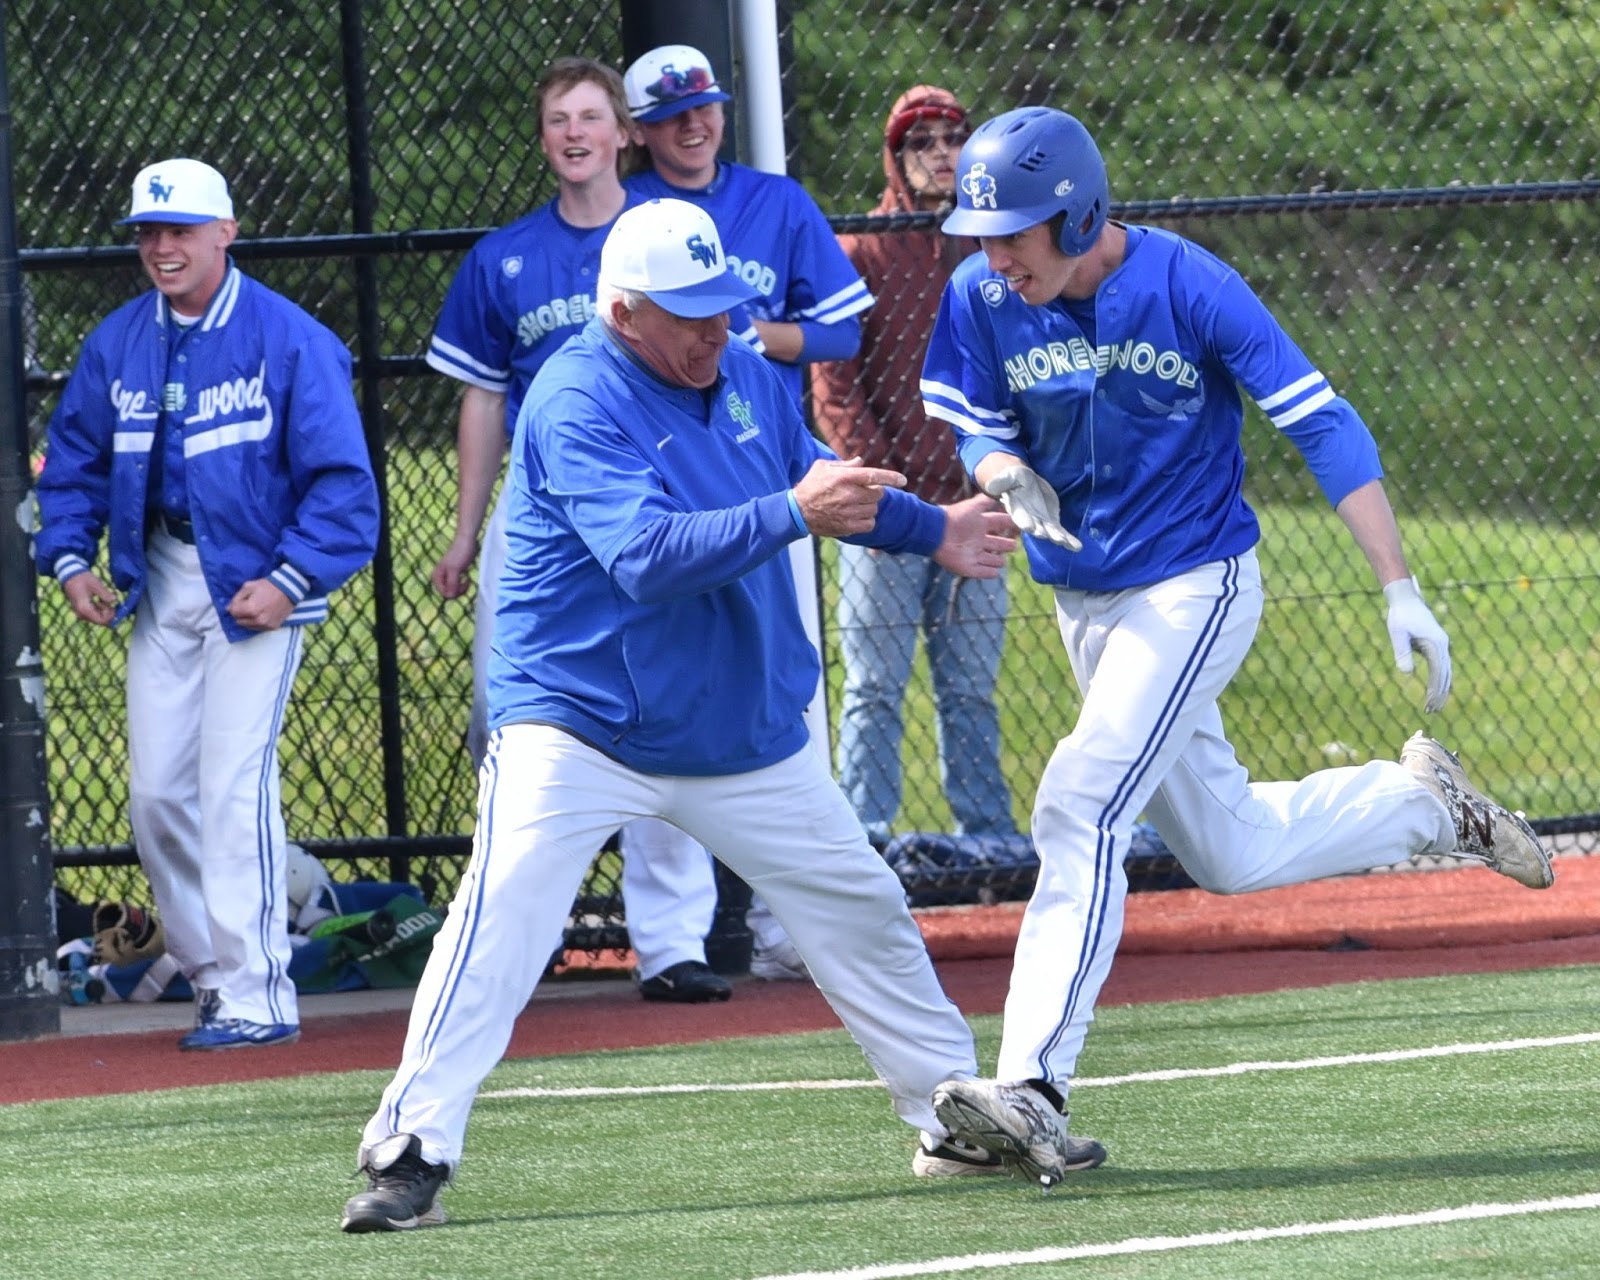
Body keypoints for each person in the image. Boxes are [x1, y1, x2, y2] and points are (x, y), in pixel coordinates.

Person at [339, 198, 1053, 1232]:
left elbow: (816, 478)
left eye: (721, 304)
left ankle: (954, 1115)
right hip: (580, 720)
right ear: (623, 314)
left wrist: (931, 528)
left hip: (736, 722)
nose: (716, 328)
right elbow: (646, 556)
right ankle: (409, 1150)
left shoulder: (744, 371)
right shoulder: (575, 398)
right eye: (689, 313)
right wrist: (795, 513)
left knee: (859, 903)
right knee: (500, 917)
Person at [915, 106, 1556, 1188]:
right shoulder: (981, 295)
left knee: (1081, 800)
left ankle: (1031, 1090)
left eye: (1012, 231)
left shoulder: (1190, 284)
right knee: (1228, 850)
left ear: (1079, 215)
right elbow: (972, 413)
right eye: (980, 234)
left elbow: (1319, 420)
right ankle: (1426, 807)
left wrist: (1399, 584)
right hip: (1086, 600)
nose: (993, 254)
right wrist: (996, 468)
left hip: (1192, 587)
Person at [34, 157, 379, 1050]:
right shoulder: (118, 341)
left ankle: (260, 992)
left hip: (258, 586)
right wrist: (71, 560)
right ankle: (213, 977)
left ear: (226, 232)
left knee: (231, 791)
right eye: (148, 232)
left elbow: (344, 487)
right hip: (162, 574)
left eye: (180, 229)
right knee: (156, 798)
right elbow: (73, 465)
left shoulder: (289, 337)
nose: (162, 247)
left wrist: (293, 578)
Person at [425, 57, 729, 1004]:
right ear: (544, 137)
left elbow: (722, 365)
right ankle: (525, 927)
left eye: (591, 116)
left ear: (623, 132)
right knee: (513, 712)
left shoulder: (671, 234)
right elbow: (484, 401)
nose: (574, 134)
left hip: (659, 498)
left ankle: (673, 943)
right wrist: (466, 531)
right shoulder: (505, 258)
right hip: (546, 517)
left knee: (665, 697)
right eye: (558, 119)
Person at [623, 43, 877, 980]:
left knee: (783, 682)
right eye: (671, 114)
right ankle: (674, 943)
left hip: (770, 468)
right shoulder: (628, 218)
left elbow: (842, 329)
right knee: (664, 692)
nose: (694, 124)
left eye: (705, 106)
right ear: (640, 131)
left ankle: (784, 918)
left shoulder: (776, 202)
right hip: (665, 478)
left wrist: (738, 335)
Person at [811, 85, 1016, 850]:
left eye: (952, 138)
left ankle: (989, 842)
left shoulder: (990, 249)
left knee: (971, 689)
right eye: (921, 141)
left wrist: (1000, 474)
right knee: (873, 687)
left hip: (976, 500)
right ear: (896, 158)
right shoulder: (860, 248)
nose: (940, 153)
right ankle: (863, 842)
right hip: (887, 512)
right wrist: (880, 487)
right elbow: (834, 383)